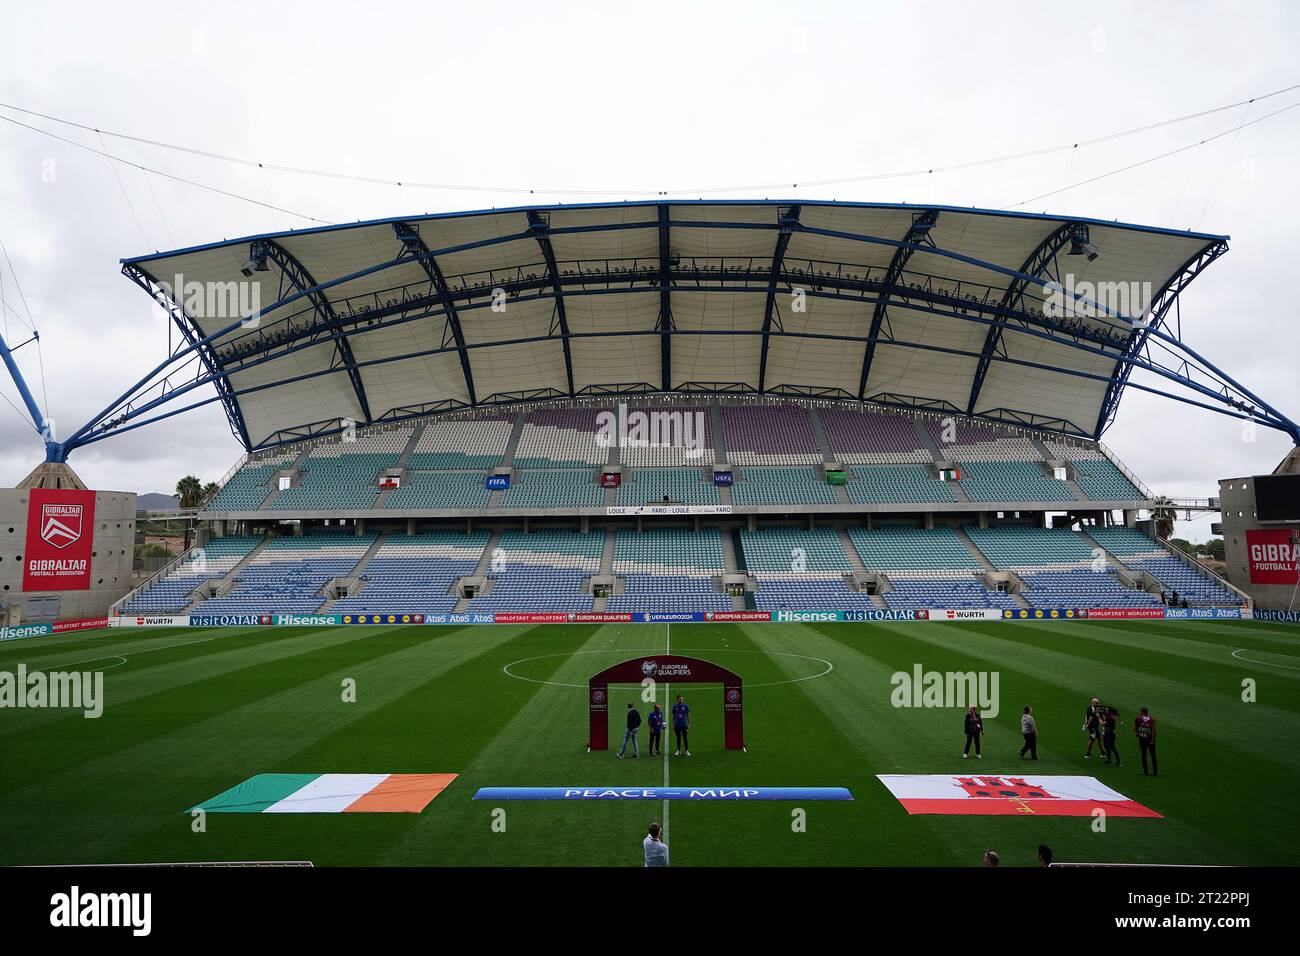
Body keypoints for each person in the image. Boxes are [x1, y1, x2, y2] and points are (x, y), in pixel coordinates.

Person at [1135, 707, 1158, 776]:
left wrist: (1138, 732)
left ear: (1142, 712)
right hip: (1150, 739)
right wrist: (1153, 739)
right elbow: (1153, 730)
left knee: (1144, 755)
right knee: (1153, 755)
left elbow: (1136, 728)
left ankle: (1146, 771)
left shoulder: (1138, 718)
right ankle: (1155, 772)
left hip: (1142, 739)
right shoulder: (1152, 719)